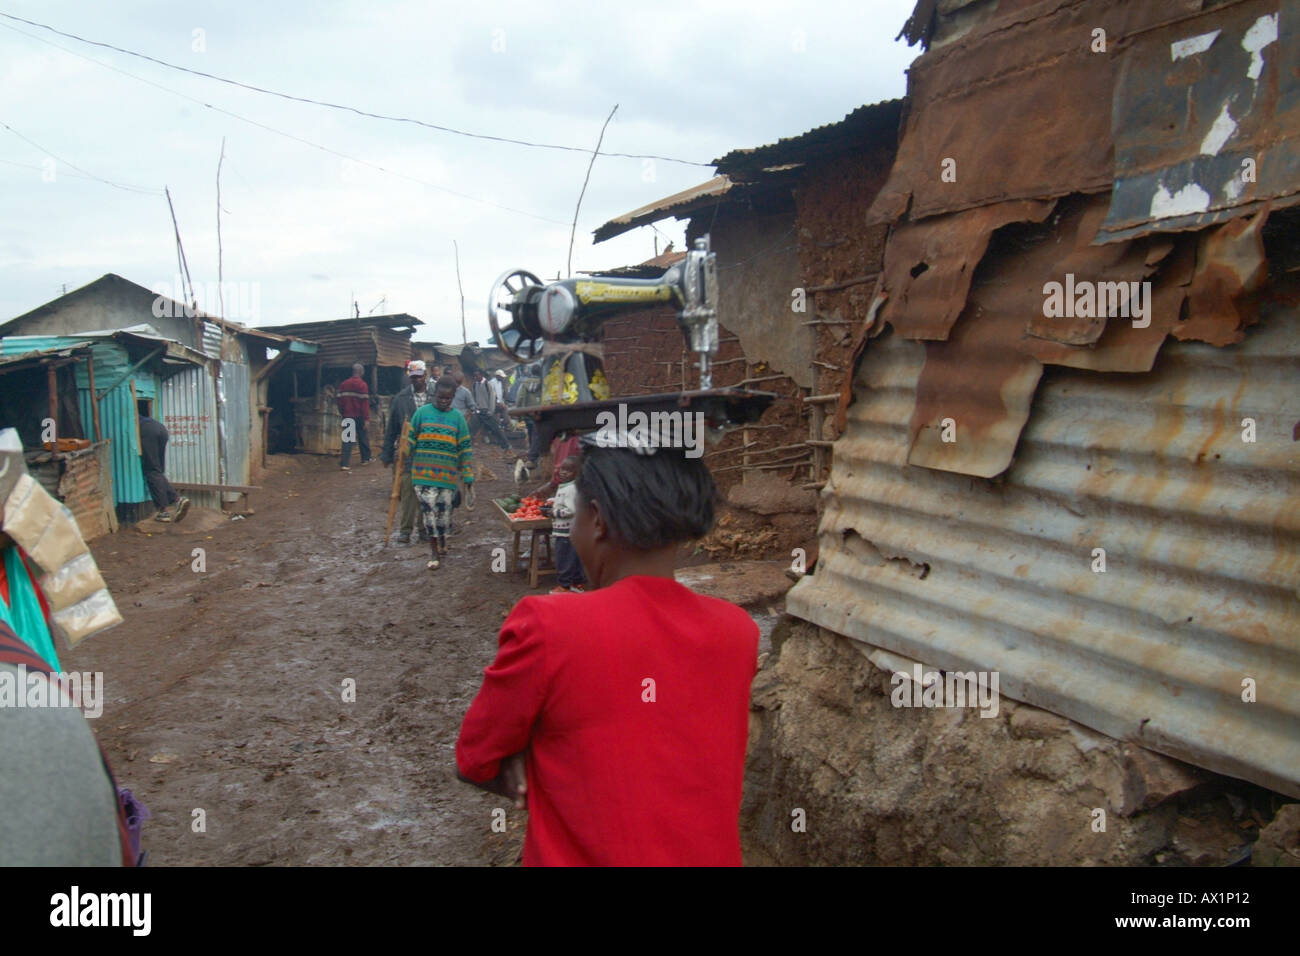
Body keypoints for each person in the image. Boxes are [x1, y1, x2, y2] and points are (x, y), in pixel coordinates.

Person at [455, 436, 758, 866]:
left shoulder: (548, 627)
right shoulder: (738, 634)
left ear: (596, 519)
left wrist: (525, 756)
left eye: (575, 513)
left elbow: (473, 759)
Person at [407, 376, 473, 570]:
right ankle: (434, 552)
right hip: (423, 475)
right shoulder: (421, 413)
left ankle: (443, 540)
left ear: (453, 397)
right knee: (429, 513)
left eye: (448, 398)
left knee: (444, 515)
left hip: (447, 477)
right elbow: (411, 438)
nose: (444, 401)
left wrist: (468, 475)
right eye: (441, 398)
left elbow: (465, 447)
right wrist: (404, 448)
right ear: (434, 395)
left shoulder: (458, 418)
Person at [383, 360, 432, 544]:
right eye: (413, 377)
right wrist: (387, 454)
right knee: (408, 493)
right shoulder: (400, 398)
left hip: (430, 453)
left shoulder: (435, 397)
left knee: (426, 493)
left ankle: (423, 528)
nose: (416, 380)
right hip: (408, 453)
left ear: (425, 376)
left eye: (419, 376)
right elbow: (391, 429)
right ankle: (405, 531)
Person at [137, 412, 189, 523]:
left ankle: (164, 511)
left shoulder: (126, 416)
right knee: (157, 471)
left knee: (152, 471)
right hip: (161, 429)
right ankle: (177, 500)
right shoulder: (138, 416)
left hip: (147, 432)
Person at [546, 455, 585, 593]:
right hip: (572, 530)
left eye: (568, 470)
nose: (563, 472)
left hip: (565, 531)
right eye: (562, 469)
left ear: (577, 473)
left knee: (564, 559)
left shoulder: (570, 489)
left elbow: (571, 509)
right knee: (574, 557)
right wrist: (554, 500)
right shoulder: (568, 487)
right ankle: (577, 583)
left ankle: (564, 586)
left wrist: (555, 512)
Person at [337, 363, 372, 470]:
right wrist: (366, 419)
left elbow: (339, 401)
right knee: (363, 437)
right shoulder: (362, 385)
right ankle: (365, 459)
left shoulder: (343, 384)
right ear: (361, 372)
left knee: (347, 439)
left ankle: (345, 464)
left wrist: (342, 412)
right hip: (359, 416)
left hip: (347, 415)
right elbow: (365, 404)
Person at [471, 370, 513, 451]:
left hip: (487, 411)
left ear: (481, 375)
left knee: (496, 428)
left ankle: (506, 445)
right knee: (472, 427)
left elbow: (492, 398)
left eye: (477, 376)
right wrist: (475, 409)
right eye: (474, 376)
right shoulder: (474, 385)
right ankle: (466, 445)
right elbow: (474, 397)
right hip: (479, 411)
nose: (475, 378)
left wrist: (490, 411)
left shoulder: (487, 384)